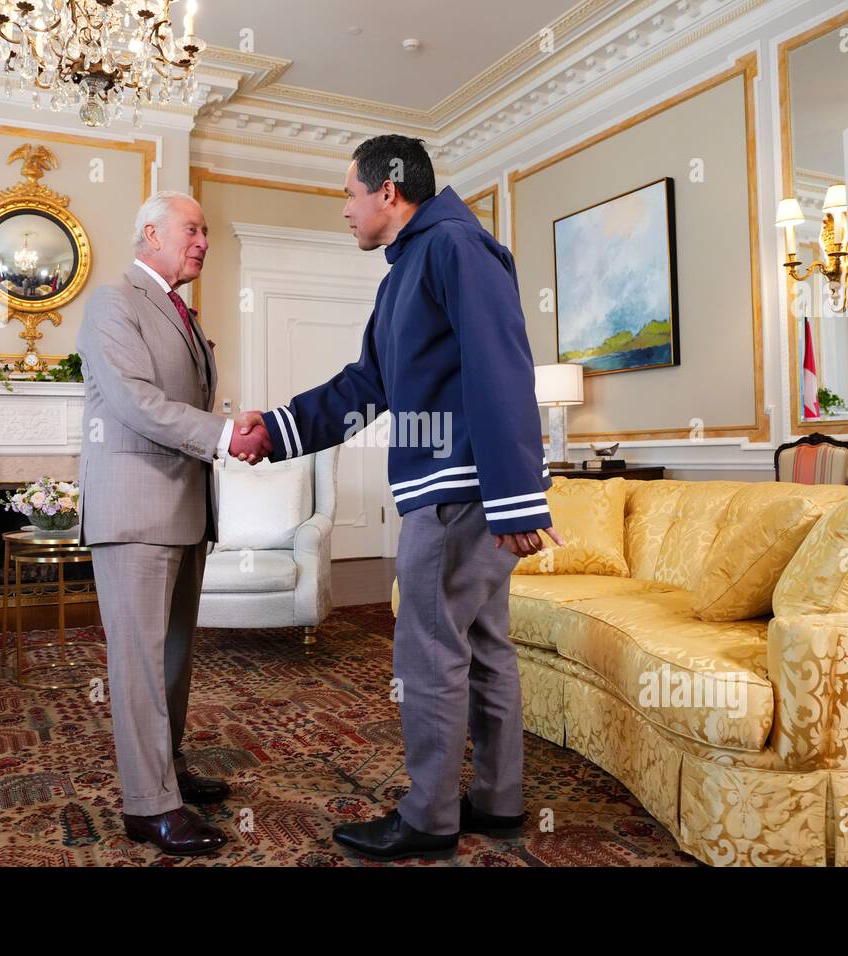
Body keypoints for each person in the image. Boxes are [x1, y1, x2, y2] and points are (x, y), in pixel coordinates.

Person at [238, 135, 562, 860]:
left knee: (429, 655)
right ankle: (497, 801)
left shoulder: (454, 248)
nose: (346, 210)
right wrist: (279, 429)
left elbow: (501, 367)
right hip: (462, 492)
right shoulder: (410, 268)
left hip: (455, 496)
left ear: (388, 191)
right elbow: (368, 387)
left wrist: (515, 500)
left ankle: (428, 818)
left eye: (350, 194)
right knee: (480, 647)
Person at [76, 191, 272, 855]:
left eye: (208, 231)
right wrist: (225, 434)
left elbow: (181, 404)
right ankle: (148, 805)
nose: (204, 241)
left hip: (186, 510)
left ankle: (167, 769)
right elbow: (136, 403)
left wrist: (231, 428)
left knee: (174, 658)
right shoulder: (113, 302)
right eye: (193, 229)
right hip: (134, 512)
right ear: (151, 232)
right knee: (137, 662)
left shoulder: (180, 311)